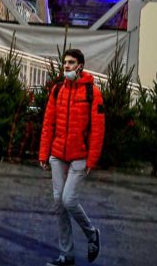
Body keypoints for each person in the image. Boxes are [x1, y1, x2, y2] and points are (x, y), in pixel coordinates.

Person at [39, 49, 105, 265]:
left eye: (71, 62)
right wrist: (44, 153)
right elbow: (48, 123)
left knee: (68, 200)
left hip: (80, 155)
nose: (66, 66)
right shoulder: (58, 90)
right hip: (58, 154)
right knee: (59, 203)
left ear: (80, 66)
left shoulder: (92, 93)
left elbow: (98, 129)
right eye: (65, 62)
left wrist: (92, 159)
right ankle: (66, 255)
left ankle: (91, 234)